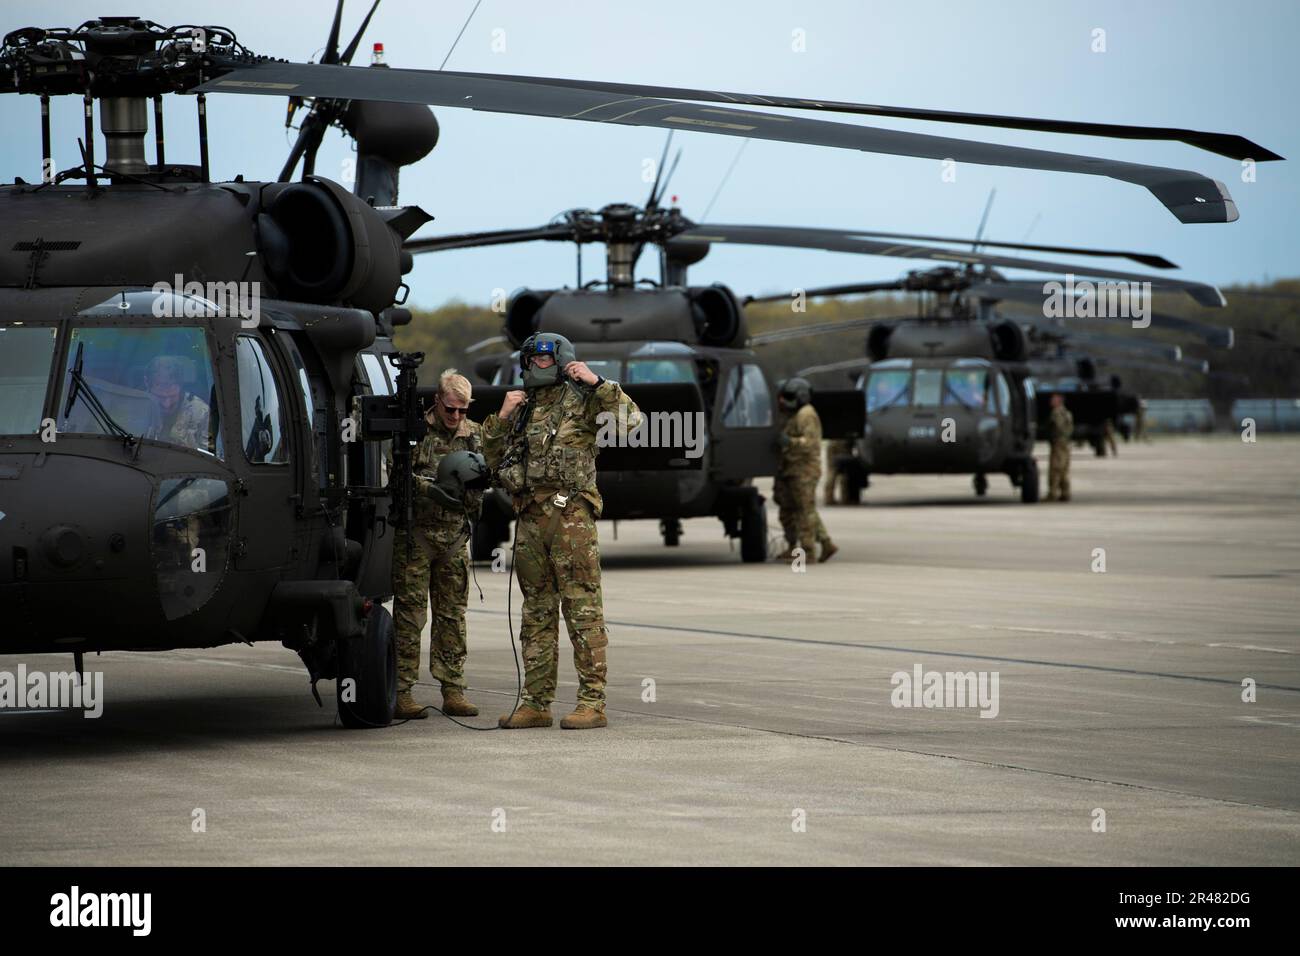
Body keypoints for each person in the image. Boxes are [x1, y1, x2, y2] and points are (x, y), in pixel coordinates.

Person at [481, 332, 642, 730]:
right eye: (531, 359)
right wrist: (501, 417)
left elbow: (631, 422)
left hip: (571, 516)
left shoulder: (585, 401)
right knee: (535, 610)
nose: (536, 365)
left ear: (561, 360)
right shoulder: (522, 408)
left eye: (543, 359)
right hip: (531, 517)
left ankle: (592, 702)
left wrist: (599, 384)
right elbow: (490, 458)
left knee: (581, 607)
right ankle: (535, 702)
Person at [391, 369, 483, 720]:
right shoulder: (414, 434)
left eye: (463, 410)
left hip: (454, 538)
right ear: (437, 402)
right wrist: (430, 489)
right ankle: (402, 690)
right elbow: (395, 473)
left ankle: (453, 688)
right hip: (417, 537)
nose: (456, 417)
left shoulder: (472, 435)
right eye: (450, 409)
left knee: (452, 617)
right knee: (410, 616)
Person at [773, 377, 837, 563]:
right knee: (790, 510)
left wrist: (788, 442)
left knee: (804, 511)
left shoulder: (806, 415)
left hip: (804, 470)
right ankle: (819, 544)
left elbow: (809, 444)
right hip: (789, 468)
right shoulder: (791, 414)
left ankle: (808, 551)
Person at [146, 355, 210, 451]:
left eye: (172, 396)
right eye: (160, 397)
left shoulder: (200, 412)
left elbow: (207, 454)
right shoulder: (133, 405)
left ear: (181, 387)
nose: (166, 404)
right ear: (146, 382)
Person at [1046, 393, 1073, 502]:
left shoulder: (1057, 413)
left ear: (1059, 401)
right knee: (1064, 469)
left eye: (1053, 399)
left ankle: (1053, 493)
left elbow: (1059, 427)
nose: (1051, 401)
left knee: (1056, 468)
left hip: (1058, 443)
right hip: (1065, 443)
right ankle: (1065, 493)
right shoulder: (1067, 412)